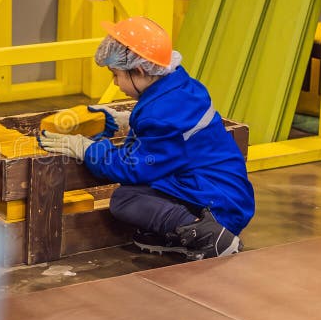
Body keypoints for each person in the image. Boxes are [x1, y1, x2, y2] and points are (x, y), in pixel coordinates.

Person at [39, 16, 255, 260]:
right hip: (222, 191)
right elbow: (164, 140)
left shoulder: (160, 115)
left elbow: (135, 167)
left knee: (125, 199)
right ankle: (188, 228)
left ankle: (208, 235)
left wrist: (88, 150)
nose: (115, 83)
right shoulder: (180, 87)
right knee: (137, 191)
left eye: (116, 75)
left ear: (139, 70)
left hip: (219, 205)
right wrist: (127, 119)